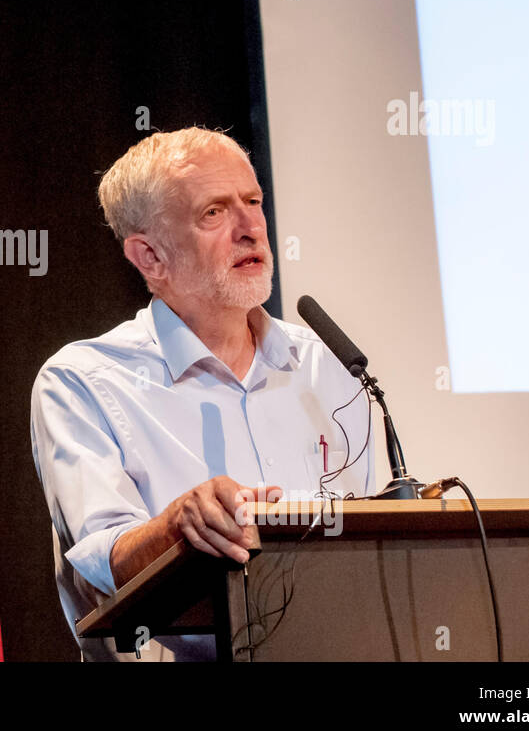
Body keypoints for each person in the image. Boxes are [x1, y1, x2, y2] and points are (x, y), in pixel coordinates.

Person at [30, 127, 375, 661]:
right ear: (150, 257)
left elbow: (381, 539)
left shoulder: (328, 363)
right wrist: (178, 525)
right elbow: (103, 561)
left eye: (253, 201)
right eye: (213, 212)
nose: (250, 228)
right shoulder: (85, 380)